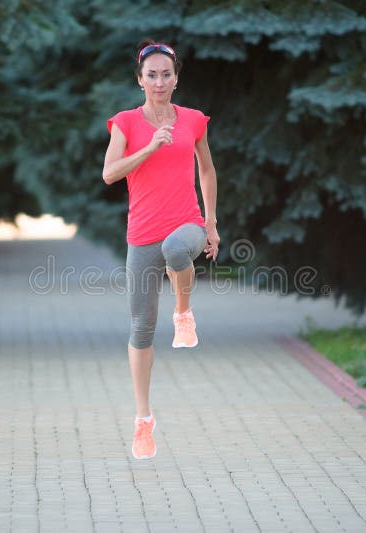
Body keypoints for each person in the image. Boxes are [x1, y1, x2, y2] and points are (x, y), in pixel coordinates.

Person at [102, 39, 220, 460]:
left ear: (176, 78)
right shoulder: (126, 124)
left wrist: (210, 223)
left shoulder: (192, 121)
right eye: (151, 75)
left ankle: (184, 312)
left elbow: (206, 169)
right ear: (140, 80)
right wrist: (149, 147)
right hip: (141, 236)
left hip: (185, 225)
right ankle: (143, 420)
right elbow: (109, 174)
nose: (159, 81)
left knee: (176, 249)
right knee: (140, 328)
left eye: (166, 74)